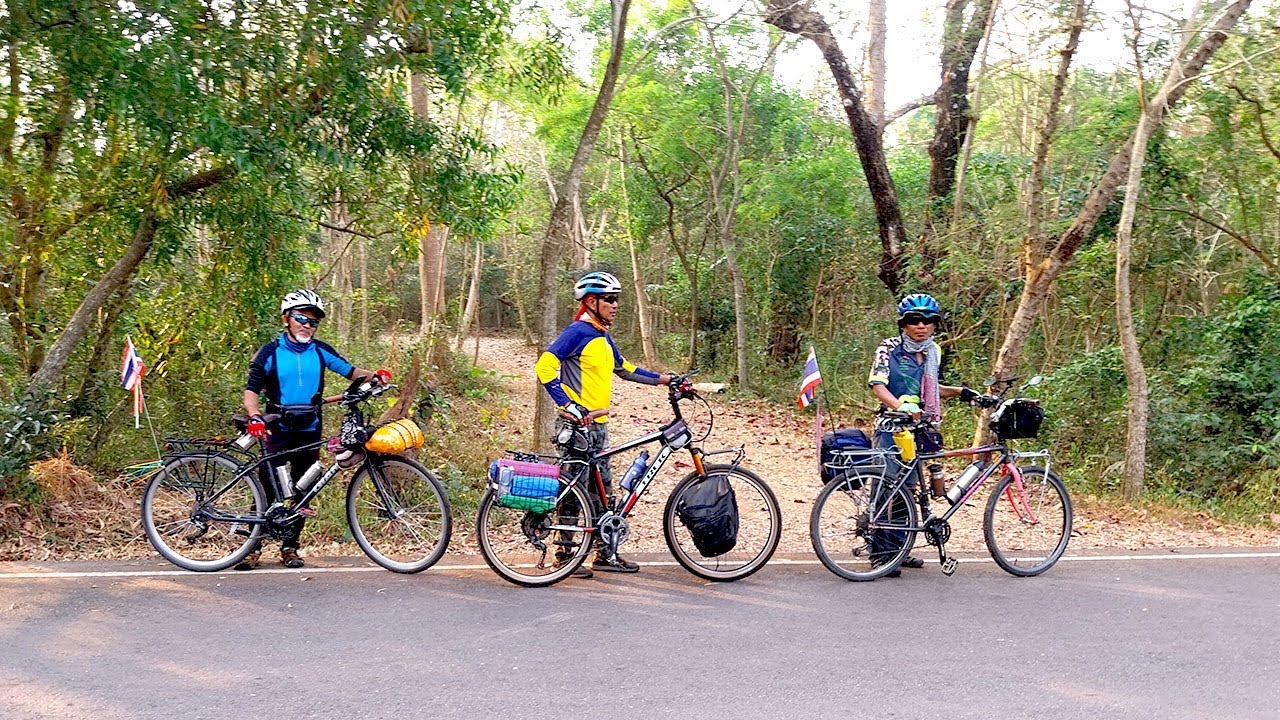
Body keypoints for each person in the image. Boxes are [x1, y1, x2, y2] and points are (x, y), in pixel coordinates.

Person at [535, 271, 672, 578]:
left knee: (601, 491)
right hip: (577, 427)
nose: (615, 305)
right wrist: (568, 405)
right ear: (591, 301)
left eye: (616, 299)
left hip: (599, 427)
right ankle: (564, 555)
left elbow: (624, 369)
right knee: (572, 490)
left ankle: (603, 554)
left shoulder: (601, 336)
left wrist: (665, 380)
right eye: (609, 299)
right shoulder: (577, 332)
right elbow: (545, 366)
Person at [239, 289, 383, 570]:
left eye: (313, 322)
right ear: (286, 319)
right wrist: (254, 416)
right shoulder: (269, 352)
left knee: (303, 489)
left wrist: (376, 376)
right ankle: (251, 548)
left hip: (309, 429)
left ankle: (289, 547)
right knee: (269, 489)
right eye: (301, 318)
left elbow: (351, 371)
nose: (307, 325)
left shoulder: (320, 351)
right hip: (275, 429)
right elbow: (250, 391)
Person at [866, 293, 979, 576]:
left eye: (928, 320)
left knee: (910, 489)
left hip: (920, 429)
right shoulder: (888, 348)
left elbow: (930, 388)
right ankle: (880, 554)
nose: (921, 325)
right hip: (892, 427)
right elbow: (878, 385)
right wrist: (900, 406)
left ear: (935, 324)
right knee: (887, 488)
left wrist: (961, 392)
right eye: (914, 320)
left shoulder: (934, 352)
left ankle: (900, 551)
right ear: (903, 324)